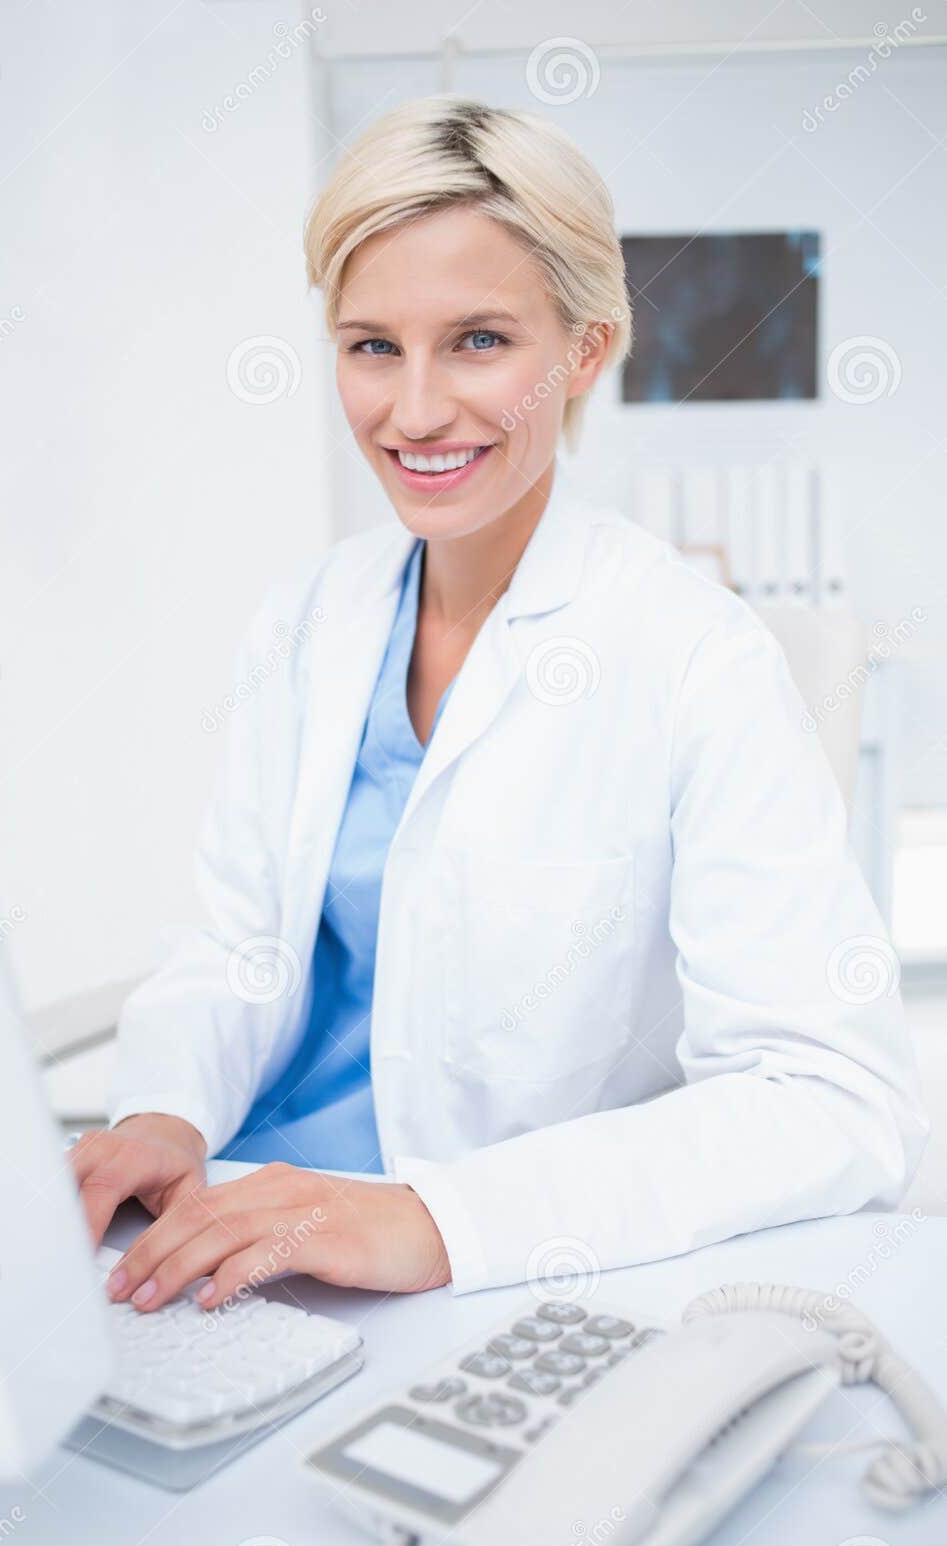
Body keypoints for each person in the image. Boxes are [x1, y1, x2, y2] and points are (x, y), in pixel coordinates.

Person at [71, 94, 928, 1311]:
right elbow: (235, 940)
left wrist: (439, 1216)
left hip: (471, 1275)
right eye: (372, 345)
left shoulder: (695, 660)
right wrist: (163, 1110)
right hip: (231, 1227)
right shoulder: (308, 620)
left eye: (477, 340)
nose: (413, 410)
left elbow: (836, 1100)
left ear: (583, 349)